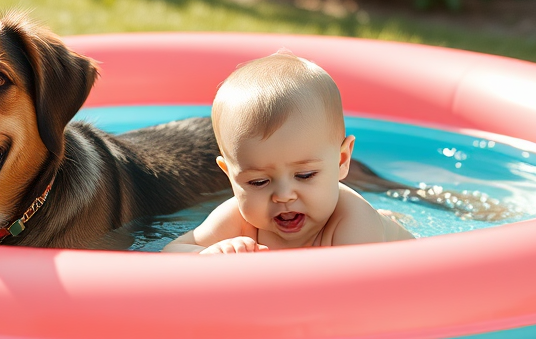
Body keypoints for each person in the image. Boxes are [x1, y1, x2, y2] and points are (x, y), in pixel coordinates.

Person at [164, 50, 413, 254]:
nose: (283, 196)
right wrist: (211, 254)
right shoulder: (239, 219)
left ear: (342, 160)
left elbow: (349, 291)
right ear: (230, 175)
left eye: (304, 175)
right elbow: (170, 254)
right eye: (258, 181)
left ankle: (390, 220)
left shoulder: (353, 220)